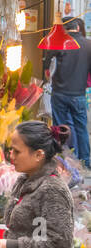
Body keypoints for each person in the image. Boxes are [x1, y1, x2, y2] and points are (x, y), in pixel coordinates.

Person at [42, 16, 91, 167]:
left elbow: (47, 63)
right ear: (77, 28)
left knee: (60, 129)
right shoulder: (89, 45)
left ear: (64, 29)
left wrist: (47, 74)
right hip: (79, 94)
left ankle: (64, 161)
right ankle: (86, 161)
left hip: (60, 93)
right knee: (81, 127)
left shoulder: (60, 42)